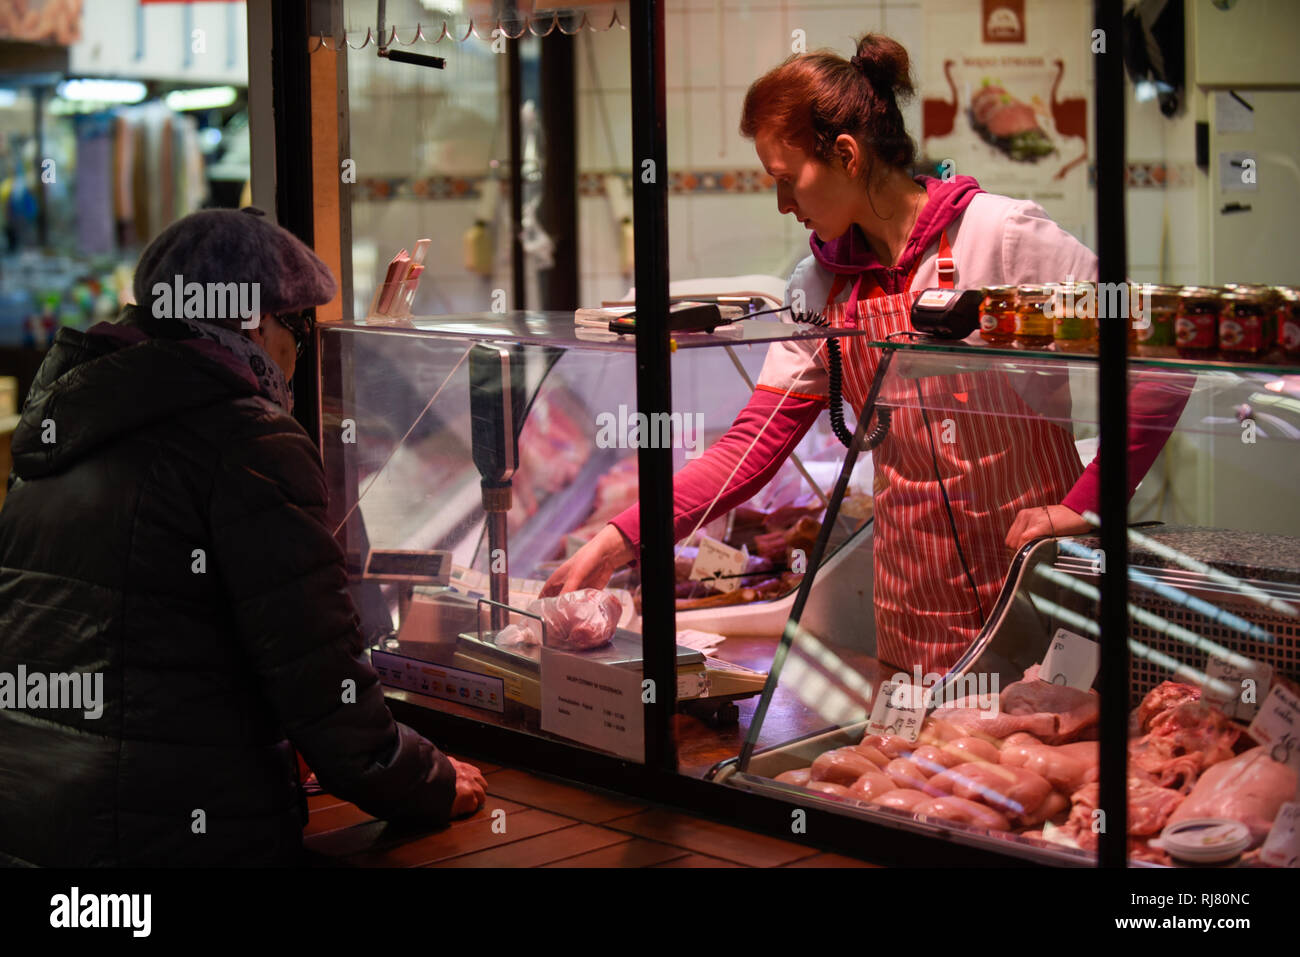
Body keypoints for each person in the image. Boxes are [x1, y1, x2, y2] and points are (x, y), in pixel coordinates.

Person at [545, 34, 1187, 673]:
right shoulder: (821, 285)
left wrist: (1084, 505)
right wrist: (620, 538)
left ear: (846, 155)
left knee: (1032, 758)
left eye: (786, 180)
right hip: (911, 611)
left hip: (1034, 594)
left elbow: (1167, 356)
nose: (782, 203)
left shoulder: (1003, 238)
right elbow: (751, 446)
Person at [0, 208, 486, 866]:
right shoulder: (249, 438)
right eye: (299, 327)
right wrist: (425, 779)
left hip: (30, 814)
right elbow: (319, 674)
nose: (295, 353)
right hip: (171, 832)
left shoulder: (68, 417)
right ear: (257, 320)